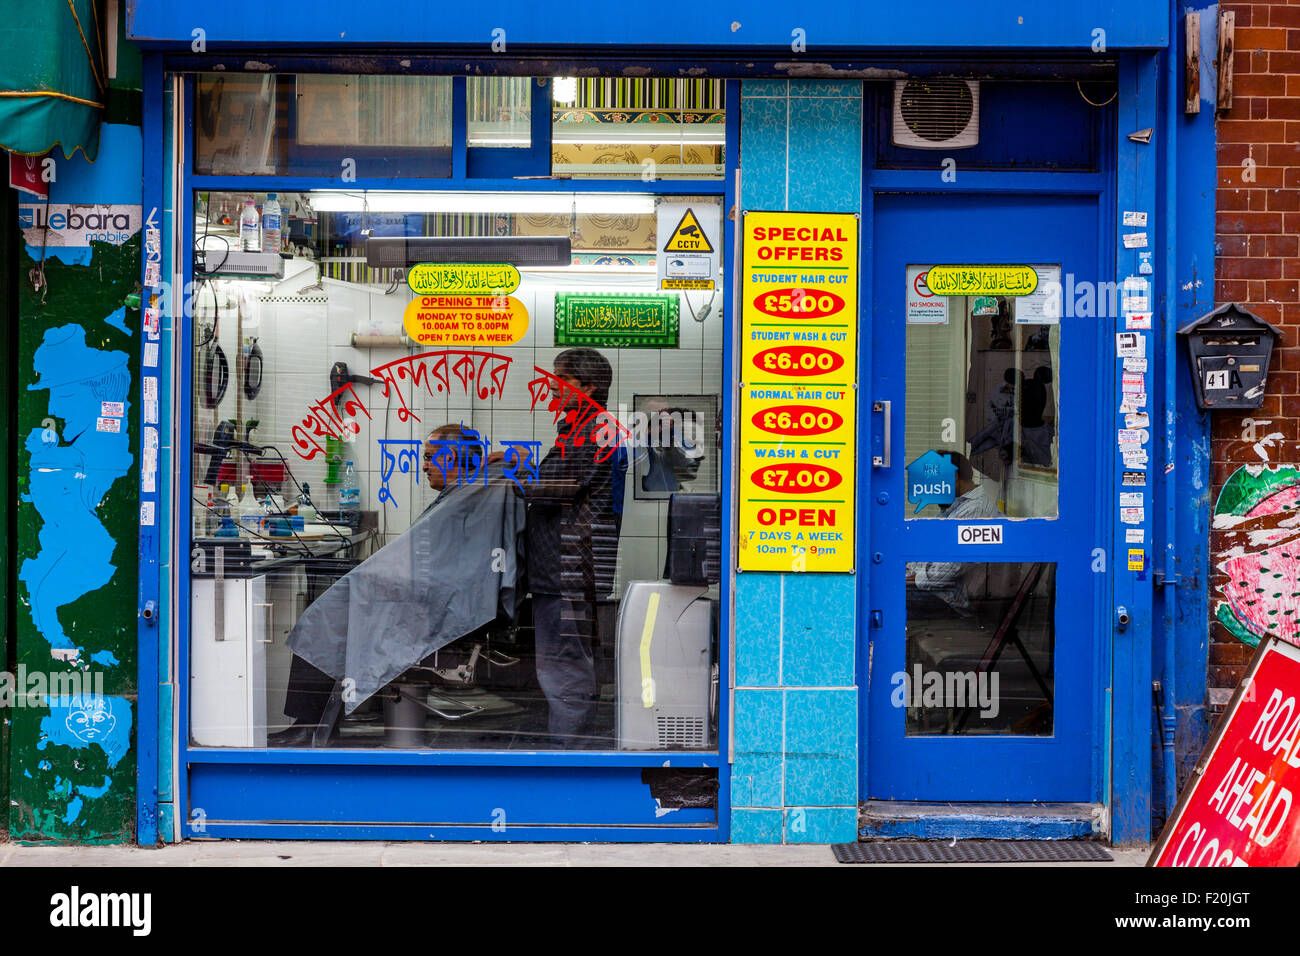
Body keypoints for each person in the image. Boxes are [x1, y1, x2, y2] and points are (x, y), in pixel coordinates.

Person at [269, 424, 520, 747]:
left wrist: (380, 578)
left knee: (323, 618)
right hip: (430, 597)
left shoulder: (472, 495)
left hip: (435, 605)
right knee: (334, 612)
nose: (424, 465)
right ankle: (316, 722)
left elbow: (456, 574)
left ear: (453, 458)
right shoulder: (467, 492)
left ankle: (310, 726)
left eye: (430, 458)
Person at [518, 348, 626, 746]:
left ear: (589, 387)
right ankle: (571, 743)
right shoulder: (578, 430)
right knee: (567, 660)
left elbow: (553, 489)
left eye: (561, 379)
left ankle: (569, 752)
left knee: (564, 663)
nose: (551, 386)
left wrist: (512, 475)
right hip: (562, 568)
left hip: (570, 567)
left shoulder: (596, 432)